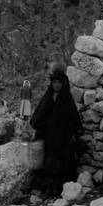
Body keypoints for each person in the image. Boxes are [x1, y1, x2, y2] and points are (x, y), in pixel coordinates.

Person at [29, 67, 82, 198]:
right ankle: (47, 188)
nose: (56, 85)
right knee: (48, 163)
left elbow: (74, 120)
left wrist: (66, 131)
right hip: (48, 138)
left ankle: (58, 189)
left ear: (63, 84)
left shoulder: (67, 99)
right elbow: (37, 117)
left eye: (59, 82)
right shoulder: (47, 97)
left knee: (60, 164)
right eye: (54, 82)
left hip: (62, 139)